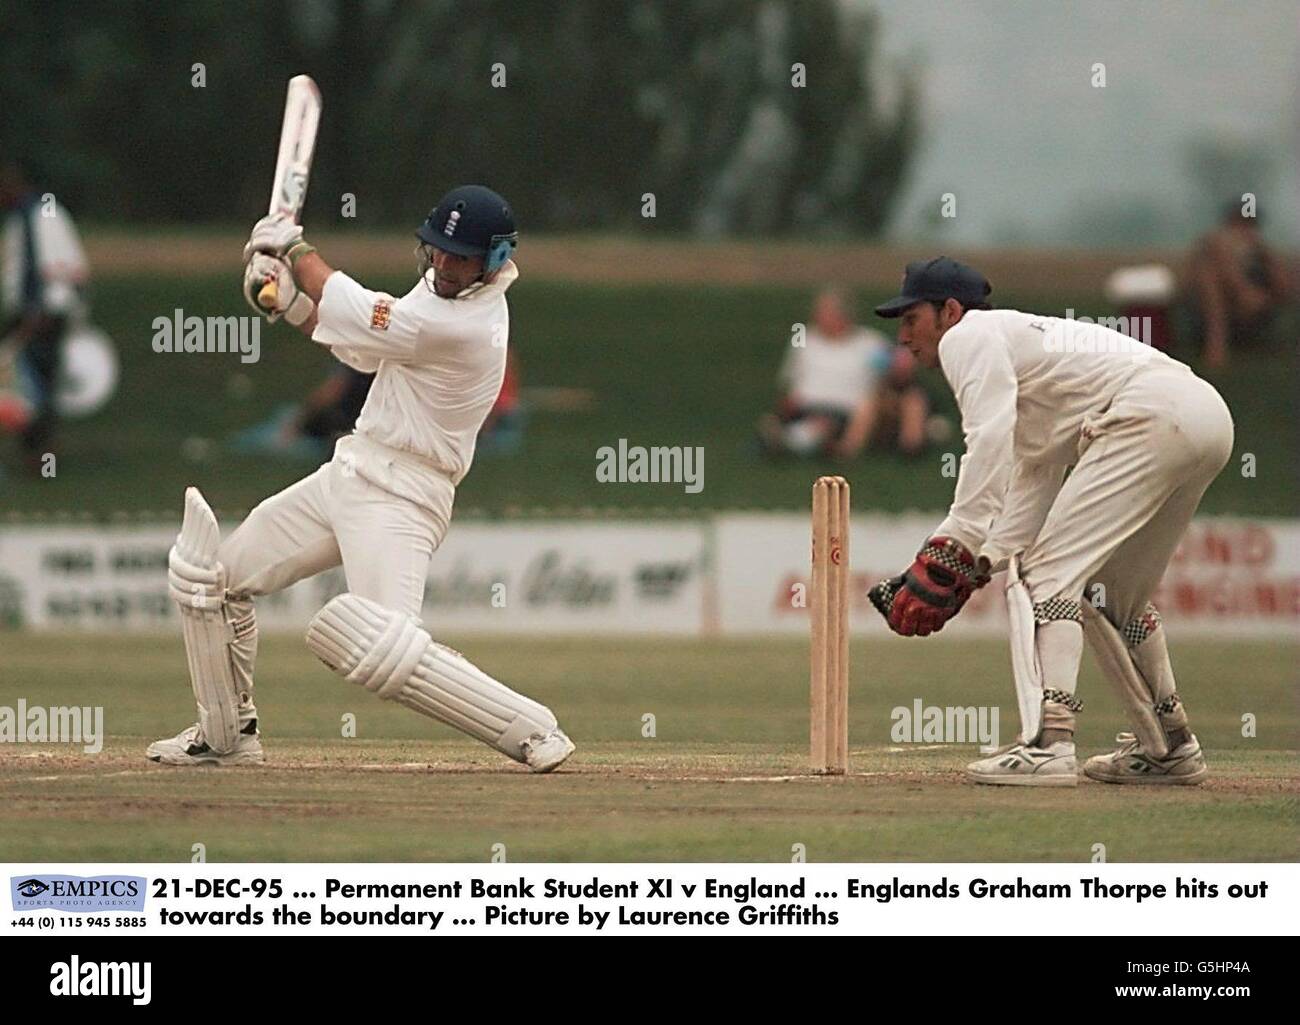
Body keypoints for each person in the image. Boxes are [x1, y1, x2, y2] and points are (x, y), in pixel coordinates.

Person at [149, 185, 574, 772]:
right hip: (351, 469)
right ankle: (226, 736)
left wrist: (295, 251)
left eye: (460, 257)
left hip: (402, 495)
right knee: (213, 582)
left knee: (381, 645)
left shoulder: (470, 322)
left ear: (495, 260)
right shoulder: (439, 293)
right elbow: (368, 351)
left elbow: (370, 312)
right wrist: (292, 307)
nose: (444, 264)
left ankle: (533, 729)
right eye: (438, 249)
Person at [867, 256, 1234, 787]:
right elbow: (1031, 486)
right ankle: (1171, 746)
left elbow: (987, 439)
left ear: (949, 311)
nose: (903, 338)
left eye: (911, 319)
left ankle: (1048, 743)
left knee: (1045, 578)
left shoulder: (969, 336)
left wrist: (954, 541)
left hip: (1150, 414)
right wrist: (976, 565)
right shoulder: (1029, 362)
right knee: (1112, 597)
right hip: (1205, 417)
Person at [758, 287, 928, 459]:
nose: (818, 318)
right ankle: (789, 440)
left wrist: (901, 367)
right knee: (814, 425)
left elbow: (898, 373)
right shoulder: (805, 341)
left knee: (829, 424)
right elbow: (792, 380)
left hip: (851, 411)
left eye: (826, 313)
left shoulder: (869, 344)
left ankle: (802, 444)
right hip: (808, 407)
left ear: (843, 316)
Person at [0, 160, 89, 468]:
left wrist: (44, 309)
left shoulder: (45, 216)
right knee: (23, 384)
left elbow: (65, 268)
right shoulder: (18, 219)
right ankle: (33, 450)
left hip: (45, 315)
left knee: (40, 386)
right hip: (26, 313)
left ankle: (43, 454)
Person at [1185, 204, 1292, 369]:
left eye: (1248, 226)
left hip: (1254, 314)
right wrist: (1242, 289)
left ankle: (1217, 343)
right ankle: (1217, 341)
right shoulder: (1209, 249)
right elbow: (1189, 283)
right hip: (1210, 318)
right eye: (1239, 226)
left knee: (1213, 271)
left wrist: (1263, 253)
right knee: (1210, 273)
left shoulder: (1261, 254)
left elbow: (1285, 289)